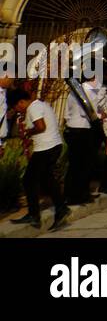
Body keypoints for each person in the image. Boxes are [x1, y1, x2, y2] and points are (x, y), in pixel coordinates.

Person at [8, 88, 70, 230]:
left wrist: (28, 133)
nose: (17, 110)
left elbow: (41, 126)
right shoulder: (40, 104)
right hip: (52, 146)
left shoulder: (33, 108)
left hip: (46, 148)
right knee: (47, 179)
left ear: (21, 102)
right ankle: (60, 209)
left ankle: (35, 215)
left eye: (16, 107)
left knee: (29, 180)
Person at [63, 72, 104, 204]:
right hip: (83, 130)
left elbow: (67, 114)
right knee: (84, 165)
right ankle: (80, 195)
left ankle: (70, 195)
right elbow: (87, 113)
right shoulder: (89, 92)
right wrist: (100, 117)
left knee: (74, 164)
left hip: (71, 129)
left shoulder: (71, 93)